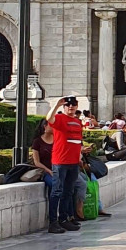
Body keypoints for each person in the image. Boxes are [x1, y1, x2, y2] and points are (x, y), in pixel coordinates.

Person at [44, 95, 84, 234]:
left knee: (68, 191)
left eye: (73, 105)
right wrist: (56, 105)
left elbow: (78, 141)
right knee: (57, 191)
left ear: (77, 106)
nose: (71, 107)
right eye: (68, 105)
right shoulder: (60, 118)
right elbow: (49, 118)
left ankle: (64, 219)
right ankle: (53, 222)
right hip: (60, 161)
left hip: (73, 162)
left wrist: (79, 156)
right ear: (64, 107)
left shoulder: (78, 122)